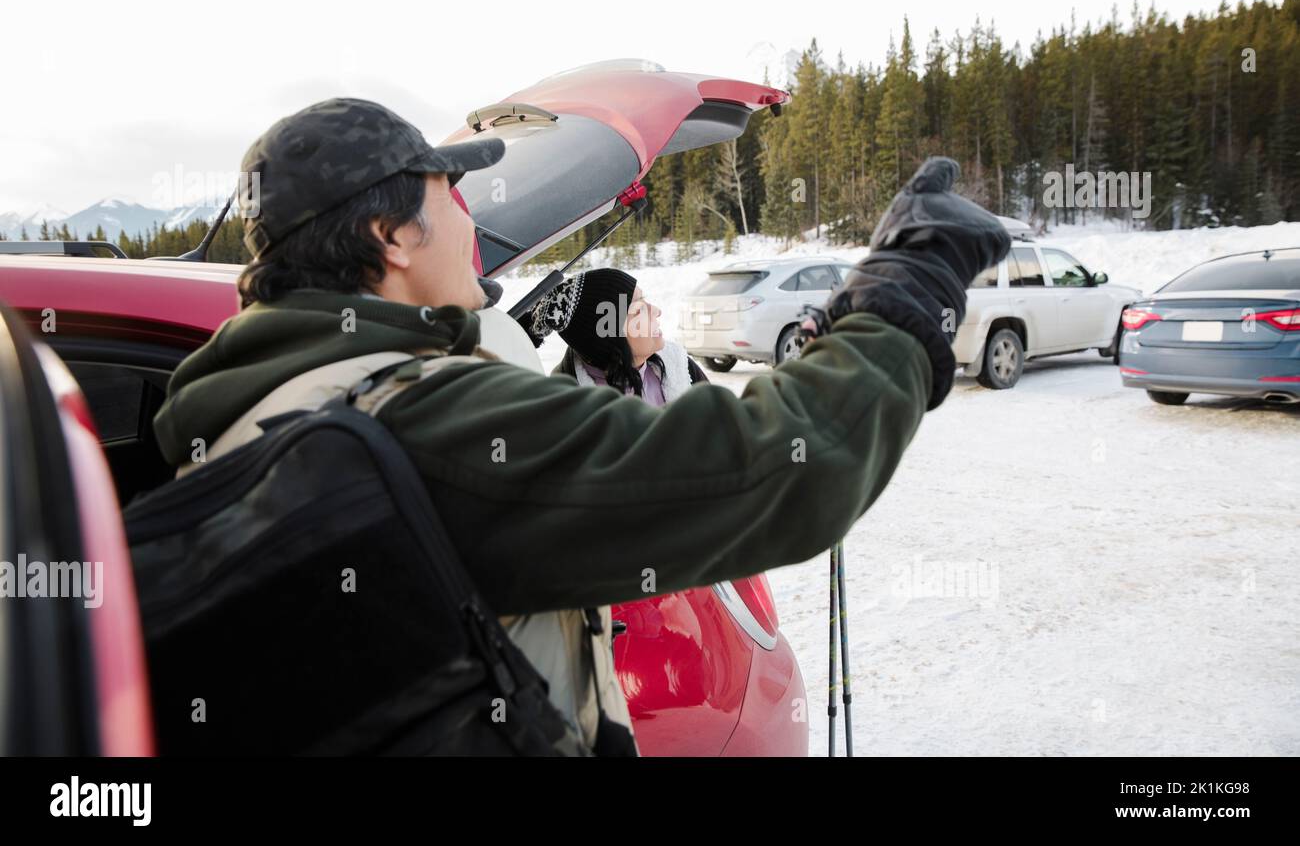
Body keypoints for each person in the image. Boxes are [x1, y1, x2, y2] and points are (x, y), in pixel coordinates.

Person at [152, 97, 1009, 755]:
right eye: (446, 187)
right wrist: (907, 286)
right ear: (392, 236)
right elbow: (771, 470)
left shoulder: (243, 416)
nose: (467, 211)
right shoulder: (421, 421)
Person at [527, 267, 706, 402]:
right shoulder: (567, 403)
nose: (656, 311)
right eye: (638, 309)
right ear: (608, 338)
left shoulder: (681, 368)